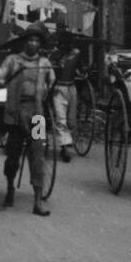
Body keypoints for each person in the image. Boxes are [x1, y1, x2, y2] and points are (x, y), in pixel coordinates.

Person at [0, 22, 55, 216]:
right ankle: (10, 187)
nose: (33, 43)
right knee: (13, 156)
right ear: (25, 42)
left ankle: (37, 201)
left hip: (37, 115)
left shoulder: (45, 64)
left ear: (40, 44)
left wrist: (50, 92)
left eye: (37, 41)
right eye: (30, 39)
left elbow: (52, 83)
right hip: (15, 114)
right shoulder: (13, 61)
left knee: (38, 156)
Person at [51, 31, 82, 164]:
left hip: (70, 87)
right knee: (60, 118)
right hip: (57, 88)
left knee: (71, 119)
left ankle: (67, 141)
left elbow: (81, 67)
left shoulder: (76, 53)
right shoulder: (54, 55)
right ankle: (63, 146)